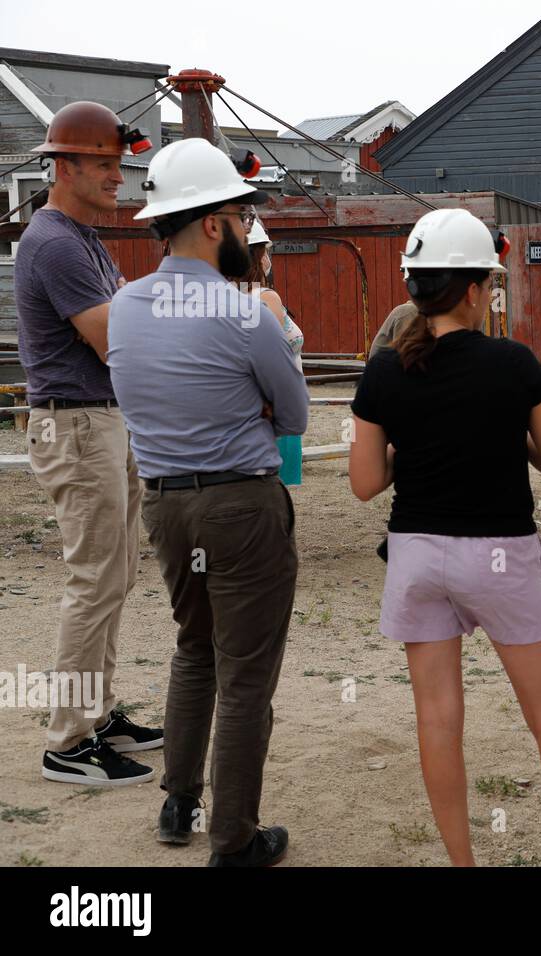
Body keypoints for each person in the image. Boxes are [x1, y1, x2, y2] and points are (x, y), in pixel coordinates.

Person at [349, 208, 541, 866]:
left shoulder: (384, 371)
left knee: (438, 719)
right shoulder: (513, 363)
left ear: (415, 286)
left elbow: (363, 483)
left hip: (416, 556)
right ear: (474, 290)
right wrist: (503, 435)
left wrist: (415, 448)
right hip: (500, 556)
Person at [108, 137, 309, 865]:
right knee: (246, 675)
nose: (248, 228)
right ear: (216, 223)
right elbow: (293, 416)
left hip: (166, 505)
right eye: (243, 212)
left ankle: (178, 802)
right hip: (241, 506)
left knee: (195, 648)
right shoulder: (245, 313)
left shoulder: (124, 309)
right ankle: (235, 841)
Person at [16, 101, 164, 787]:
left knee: (115, 575)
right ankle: (69, 741)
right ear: (65, 165)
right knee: (94, 579)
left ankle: (97, 714)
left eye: (118, 165)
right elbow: (115, 338)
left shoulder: (82, 238)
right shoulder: (54, 242)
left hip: (100, 419)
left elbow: (126, 316)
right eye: (105, 165)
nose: (117, 178)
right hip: (76, 423)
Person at [230, 216, 305, 486]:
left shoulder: (226, 296)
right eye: (266, 252)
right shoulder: (266, 298)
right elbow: (274, 359)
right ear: (257, 255)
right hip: (277, 407)